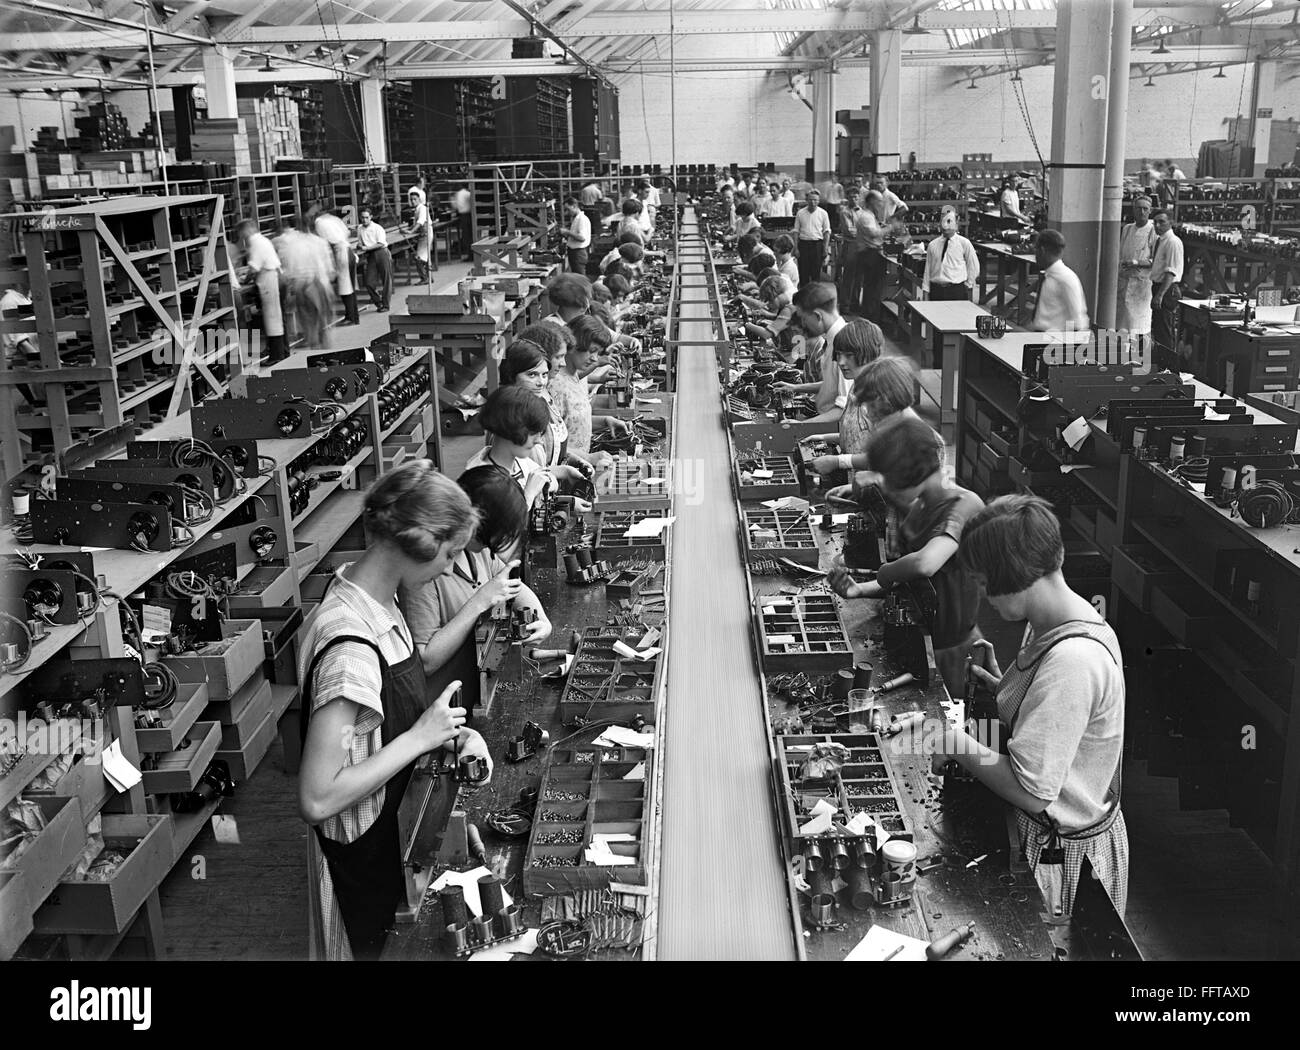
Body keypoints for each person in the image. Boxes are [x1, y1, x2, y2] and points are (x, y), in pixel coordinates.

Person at [298, 460, 493, 960]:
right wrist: (419, 738)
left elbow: (388, 719)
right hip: (366, 860)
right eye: (449, 554)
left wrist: (449, 734)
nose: (451, 567)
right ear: (421, 544)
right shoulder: (350, 649)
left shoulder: (379, 605)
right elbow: (318, 798)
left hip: (399, 832)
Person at [933, 494, 1128, 920]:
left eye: (985, 584)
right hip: (1039, 835)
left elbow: (1033, 791)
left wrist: (953, 740)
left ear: (1014, 576)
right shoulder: (1054, 623)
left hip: (1059, 860)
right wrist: (1002, 685)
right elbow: (1054, 724)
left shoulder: (1072, 661)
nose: (984, 598)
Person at [828, 415, 984, 695]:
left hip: (954, 652)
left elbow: (925, 564)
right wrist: (859, 590)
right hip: (918, 641)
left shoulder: (964, 505)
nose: (886, 485)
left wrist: (887, 572)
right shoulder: (919, 509)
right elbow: (910, 583)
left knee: (958, 730)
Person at [400, 465, 552, 716]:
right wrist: (479, 601)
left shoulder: (476, 552)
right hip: (447, 708)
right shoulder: (425, 570)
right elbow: (425, 660)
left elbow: (511, 584)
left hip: (483, 685)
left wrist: (541, 620)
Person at [550, 315, 631, 467]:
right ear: (574, 344)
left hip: (581, 468)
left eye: (598, 353)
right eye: (591, 351)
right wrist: (587, 458)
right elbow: (551, 444)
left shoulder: (577, 377)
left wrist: (605, 421)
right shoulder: (556, 387)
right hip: (566, 472)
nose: (595, 359)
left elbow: (573, 422)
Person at [798, 318, 884, 460]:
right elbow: (858, 436)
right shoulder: (855, 387)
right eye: (838, 355)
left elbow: (884, 457)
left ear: (868, 353)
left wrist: (838, 462)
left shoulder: (878, 397)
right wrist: (822, 438)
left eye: (849, 356)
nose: (841, 362)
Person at [774, 281, 850, 422]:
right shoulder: (831, 341)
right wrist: (796, 388)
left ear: (817, 316)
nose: (802, 324)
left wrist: (801, 425)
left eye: (803, 318)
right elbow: (834, 385)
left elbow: (843, 408)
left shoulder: (843, 345)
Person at [275, 218, 335, 349]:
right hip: (321, 284)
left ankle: (314, 346)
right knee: (323, 318)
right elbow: (329, 268)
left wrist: (290, 286)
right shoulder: (321, 242)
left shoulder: (293, 245)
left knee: (308, 321)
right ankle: (325, 345)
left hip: (302, 285)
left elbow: (288, 269)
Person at [235, 219, 286, 363]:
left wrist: (244, 280)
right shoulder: (262, 239)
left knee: (272, 320)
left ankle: (276, 356)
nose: (241, 235)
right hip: (272, 276)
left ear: (247, 229)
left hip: (269, 280)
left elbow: (254, 268)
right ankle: (281, 352)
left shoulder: (255, 242)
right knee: (276, 319)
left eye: (241, 232)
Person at [1028, 229, 1089, 335]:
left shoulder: (1066, 278)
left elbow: (1078, 322)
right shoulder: (1048, 276)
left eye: (1035, 250)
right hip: (1040, 335)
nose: (1035, 255)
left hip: (1053, 341)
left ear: (1042, 250)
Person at [1115, 195, 1157, 336]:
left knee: (1139, 328)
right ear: (1133, 210)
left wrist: (1137, 262)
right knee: (1122, 327)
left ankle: (1139, 354)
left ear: (1150, 211)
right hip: (1124, 282)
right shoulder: (1127, 229)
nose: (1142, 212)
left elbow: (1156, 261)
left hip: (1141, 286)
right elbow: (1121, 254)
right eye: (1138, 208)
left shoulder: (1153, 231)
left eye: (1145, 209)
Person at [1149, 209, 1184, 371]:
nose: (1157, 225)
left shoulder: (1172, 242)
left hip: (1167, 289)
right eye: (1155, 221)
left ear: (1171, 222)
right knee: (1160, 330)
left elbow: (1171, 272)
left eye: (1161, 221)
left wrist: (1160, 295)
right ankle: (1163, 367)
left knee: (1165, 331)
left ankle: (1170, 370)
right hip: (1158, 287)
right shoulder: (1160, 240)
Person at [312, 207, 359, 326]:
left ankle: (351, 317)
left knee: (345, 288)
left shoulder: (319, 223)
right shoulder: (333, 219)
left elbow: (325, 244)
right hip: (348, 251)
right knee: (350, 287)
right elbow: (347, 232)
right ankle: (352, 316)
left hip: (341, 253)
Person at [921, 207, 979, 302]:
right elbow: (927, 271)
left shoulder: (964, 243)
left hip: (956, 291)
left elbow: (974, 266)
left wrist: (968, 285)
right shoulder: (933, 245)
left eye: (949, 222)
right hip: (936, 291)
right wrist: (925, 293)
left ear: (956, 225)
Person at [355, 207, 393, 314]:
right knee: (369, 282)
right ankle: (378, 302)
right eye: (362, 218)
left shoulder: (378, 228)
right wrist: (360, 245)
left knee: (386, 279)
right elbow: (360, 242)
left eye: (367, 217)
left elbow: (381, 243)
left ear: (371, 217)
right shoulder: (360, 228)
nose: (364, 220)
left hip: (382, 252)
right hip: (371, 255)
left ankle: (386, 304)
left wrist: (366, 248)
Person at [794, 188, 832, 287]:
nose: (813, 202)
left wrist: (825, 248)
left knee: (815, 273)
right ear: (807, 200)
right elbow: (796, 231)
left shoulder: (823, 213)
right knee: (803, 273)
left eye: (815, 200)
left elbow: (827, 232)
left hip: (817, 245)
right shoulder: (800, 213)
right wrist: (796, 247)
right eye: (810, 199)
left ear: (818, 201)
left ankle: (815, 298)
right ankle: (803, 297)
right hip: (803, 245)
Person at [407, 186, 433, 283]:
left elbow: (421, 222)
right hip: (423, 234)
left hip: (426, 234)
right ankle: (430, 277)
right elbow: (415, 223)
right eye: (411, 199)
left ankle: (425, 278)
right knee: (425, 257)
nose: (413, 201)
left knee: (419, 257)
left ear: (419, 200)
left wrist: (411, 231)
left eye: (415, 199)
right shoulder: (417, 209)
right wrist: (408, 229)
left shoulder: (422, 208)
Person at [563, 196, 592, 275]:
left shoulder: (582, 219)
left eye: (568, 209)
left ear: (574, 206)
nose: (567, 213)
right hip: (575, 253)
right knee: (577, 277)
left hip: (578, 253)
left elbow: (582, 238)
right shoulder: (576, 218)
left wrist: (567, 232)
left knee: (580, 279)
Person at [453, 182, 474, 262]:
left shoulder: (459, 194)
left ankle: (470, 255)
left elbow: (456, 206)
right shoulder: (468, 193)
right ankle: (472, 255)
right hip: (470, 215)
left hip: (464, 216)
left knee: (466, 236)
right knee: (470, 236)